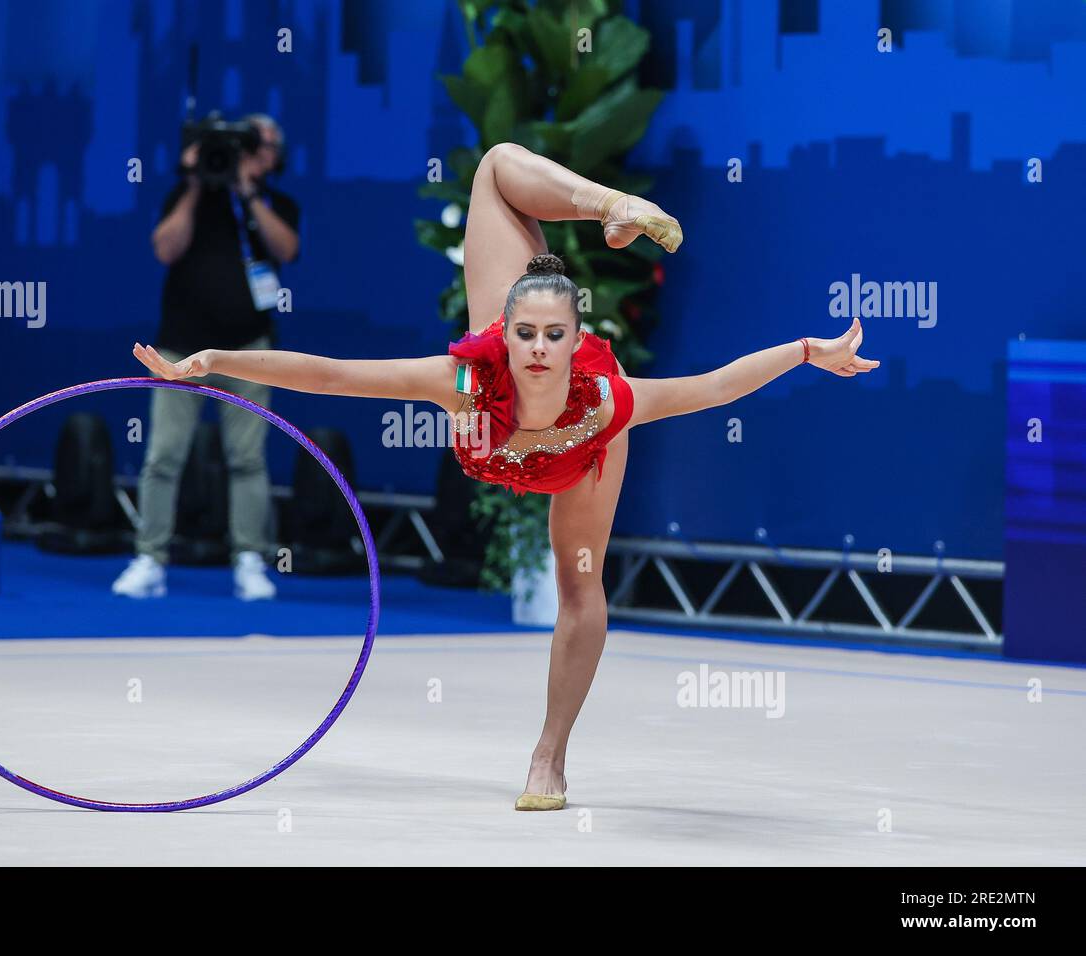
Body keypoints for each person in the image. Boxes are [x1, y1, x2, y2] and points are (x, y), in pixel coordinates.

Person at [131, 142, 878, 809]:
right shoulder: (463, 377)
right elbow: (331, 376)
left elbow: (712, 388)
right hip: (497, 421)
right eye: (526, 334)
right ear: (506, 336)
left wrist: (808, 350)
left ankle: (549, 755)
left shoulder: (605, 403)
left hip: (577, 457)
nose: (540, 348)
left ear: (577, 339)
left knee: (580, 584)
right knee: (494, 165)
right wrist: (214, 363)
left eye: (556, 335)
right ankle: (608, 207)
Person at [114, 114, 300, 601]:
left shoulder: (274, 203)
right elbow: (164, 248)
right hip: (180, 345)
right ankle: (149, 558)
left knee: (247, 458)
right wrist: (197, 183)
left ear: (272, 157)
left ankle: (249, 559)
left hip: (249, 349)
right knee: (163, 456)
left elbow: (287, 247)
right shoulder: (188, 197)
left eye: (261, 146)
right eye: (247, 144)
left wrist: (247, 193)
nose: (253, 152)